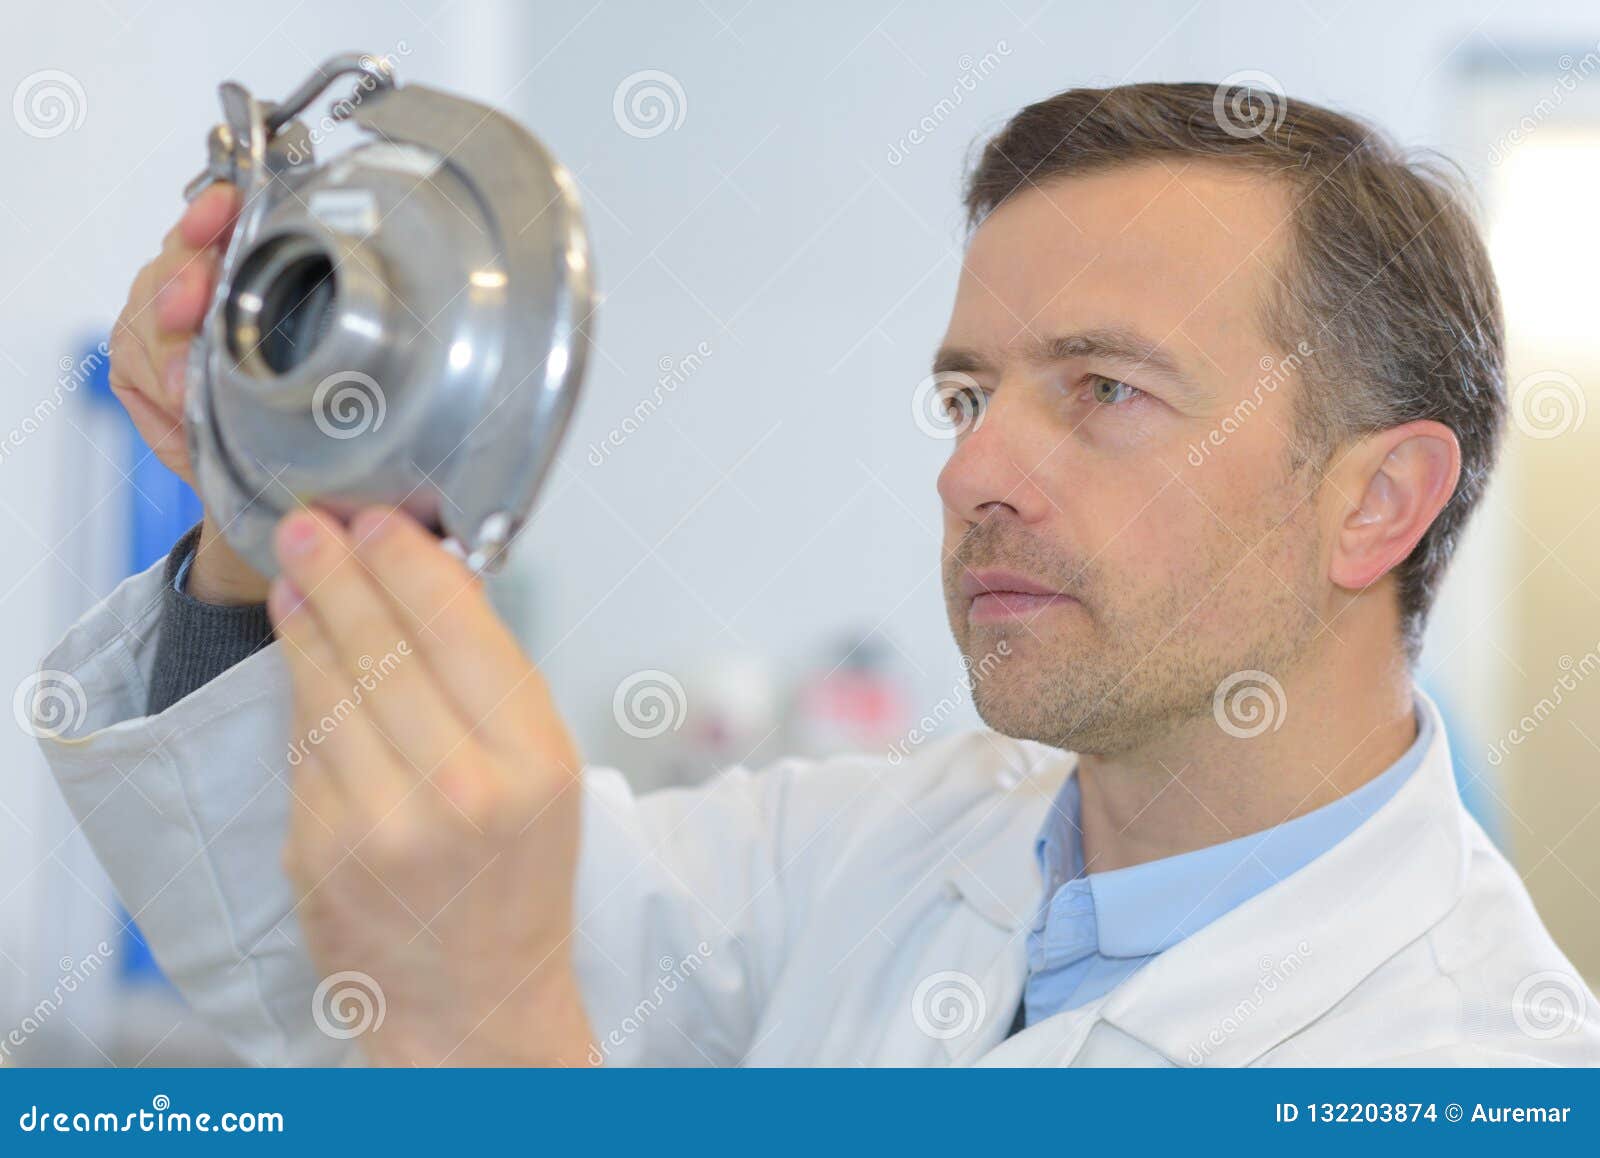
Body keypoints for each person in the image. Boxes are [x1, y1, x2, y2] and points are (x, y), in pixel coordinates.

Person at [34, 81, 1600, 1066]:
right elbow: (334, 965)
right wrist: (266, 498)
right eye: (968, 396)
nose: (969, 472)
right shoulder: (874, 850)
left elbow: (469, 1010)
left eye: (1104, 390)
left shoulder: (1484, 1071)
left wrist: (497, 1058)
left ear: (1375, 500)